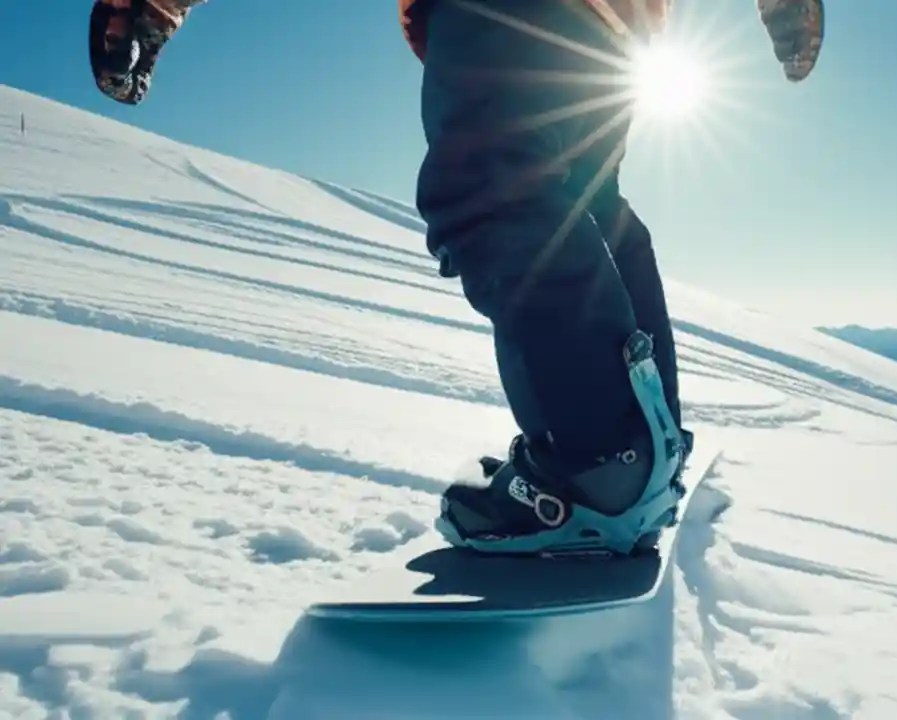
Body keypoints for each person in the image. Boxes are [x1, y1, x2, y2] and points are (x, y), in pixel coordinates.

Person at [88, 0, 824, 556]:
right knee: (586, 208)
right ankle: (639, 451)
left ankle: (603, 469)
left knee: (491, 187)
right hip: (616, 26)